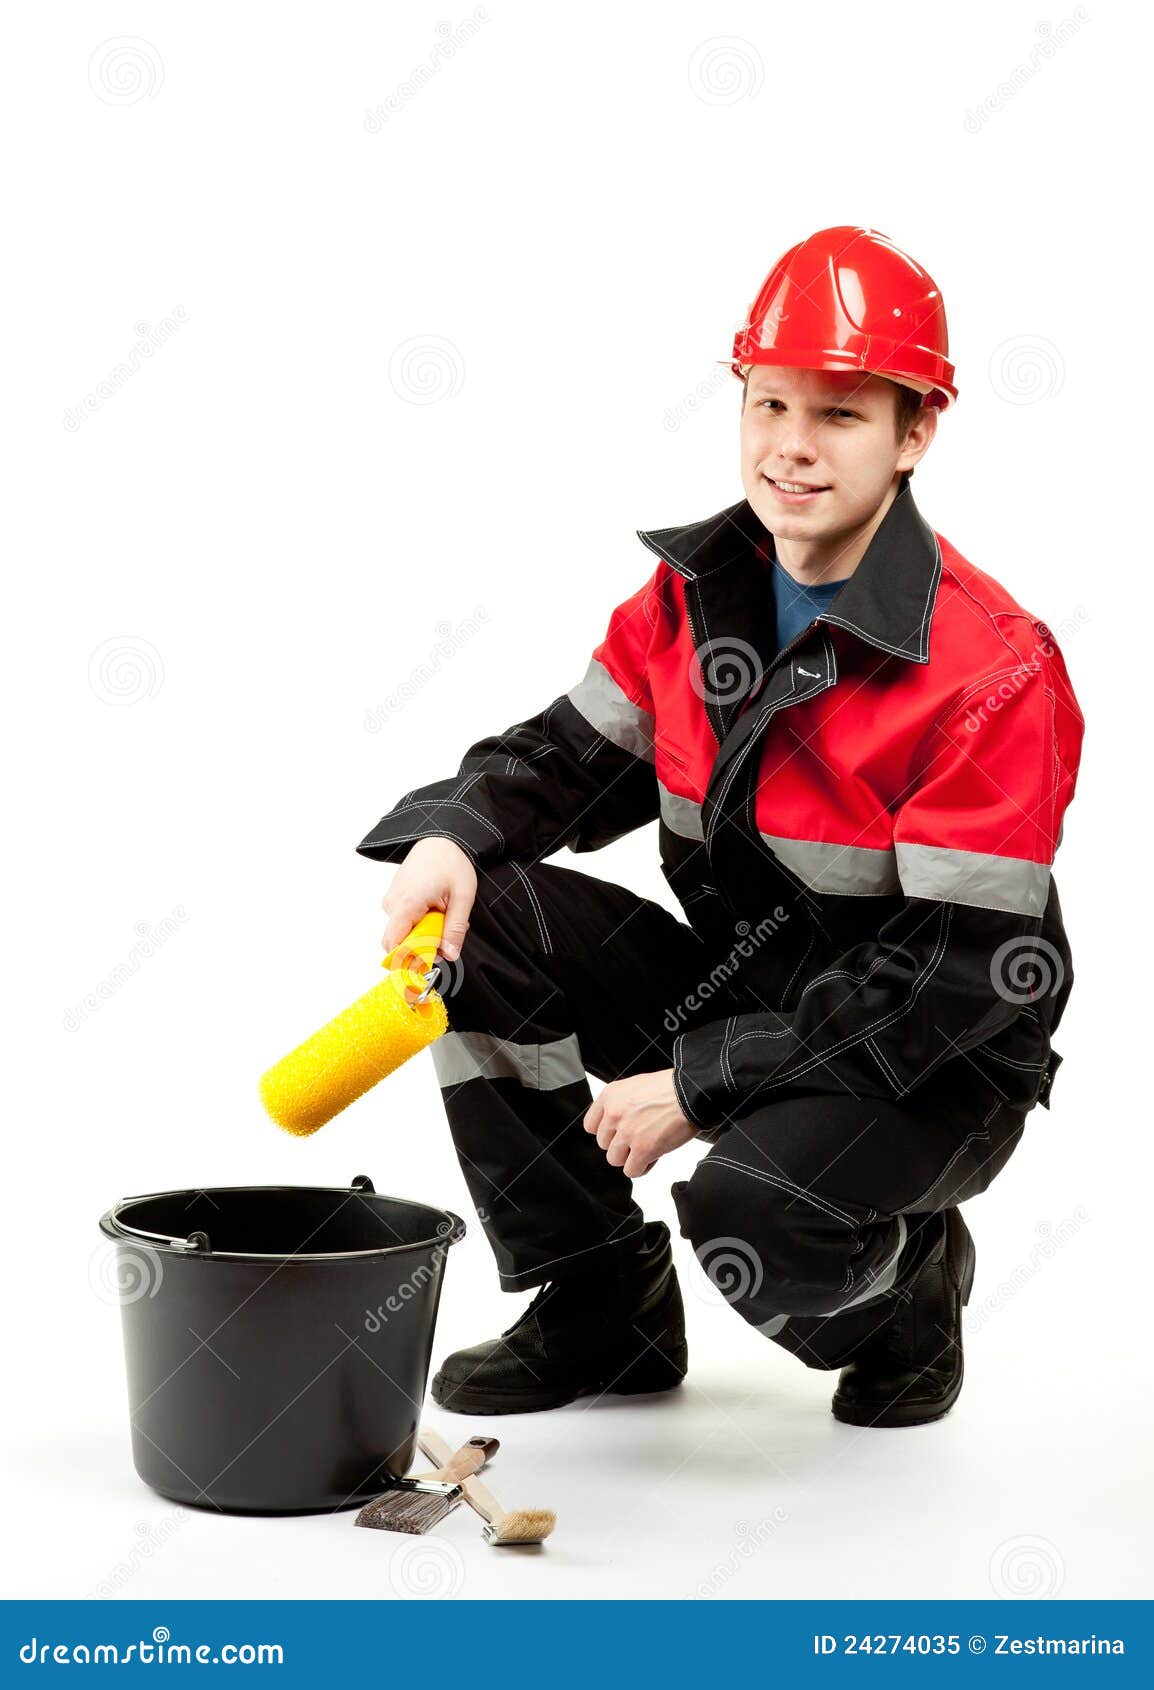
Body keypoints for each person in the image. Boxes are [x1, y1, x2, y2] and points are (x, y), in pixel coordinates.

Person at [356, 226, 1085, 1428]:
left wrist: (699, 1084)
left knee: (751, 1214)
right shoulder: (693, 600)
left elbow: (954, 981)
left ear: (916, 432)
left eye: (841, 414)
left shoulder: (987, 670)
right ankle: (601, 1303)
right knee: (475, 922)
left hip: (926, 1064)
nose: (791, 447)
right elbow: (561, 761)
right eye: (768, 403)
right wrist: (455, 833)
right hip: (751, 993)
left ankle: (909, 1289)